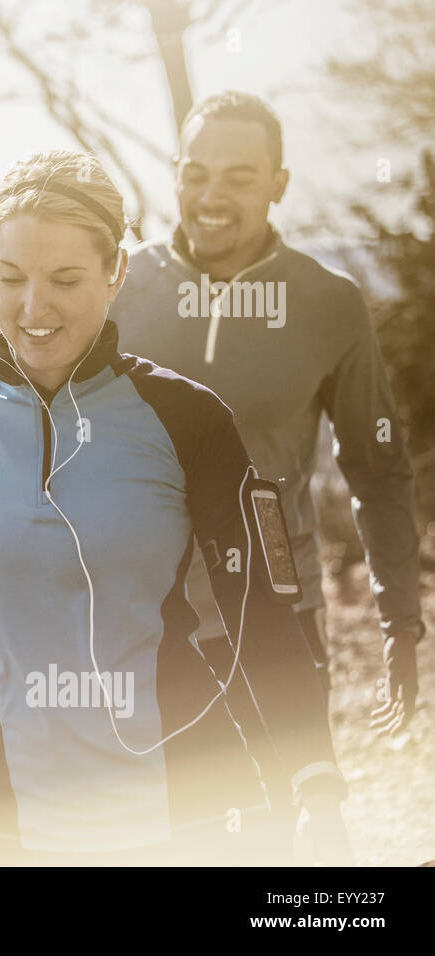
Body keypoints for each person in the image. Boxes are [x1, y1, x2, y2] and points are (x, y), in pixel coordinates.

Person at [0, 150, 352, 865]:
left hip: (193, 804)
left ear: (115, 272)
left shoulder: (186, 418)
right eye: (11, 278)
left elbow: (263, 611)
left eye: (65, 280)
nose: (34, 309)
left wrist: (317, 786)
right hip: (13, 819)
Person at [110, 91, 424, 738]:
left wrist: (401, 623)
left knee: (296, 825)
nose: (211, 196)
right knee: (174, 836)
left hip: (278, 619)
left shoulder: (327, 303)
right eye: (195, 174)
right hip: (137, 628)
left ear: (279, 185)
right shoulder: (116, 289)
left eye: (239, 177)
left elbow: (378, 471)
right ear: (175, 174)